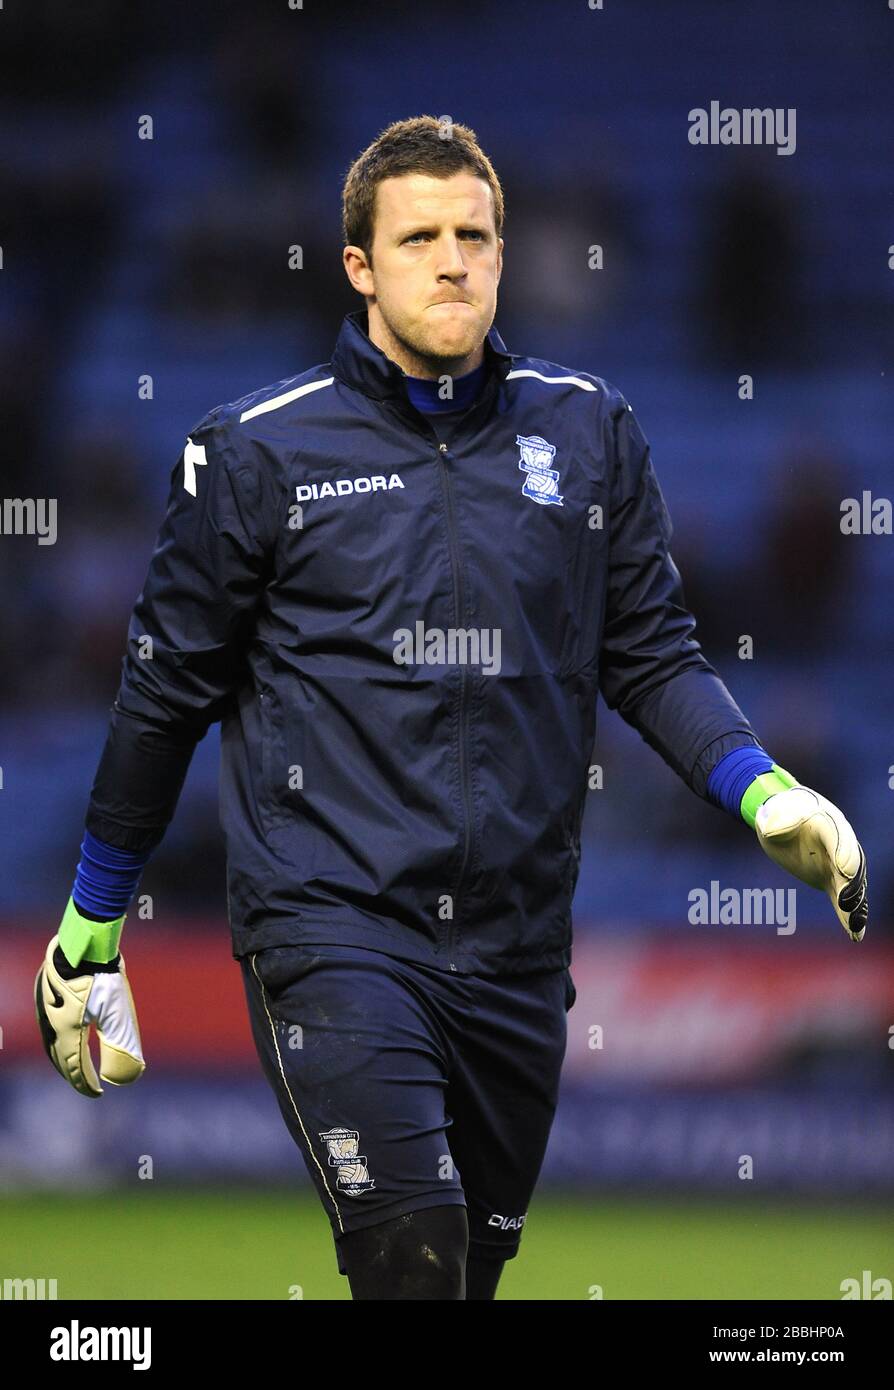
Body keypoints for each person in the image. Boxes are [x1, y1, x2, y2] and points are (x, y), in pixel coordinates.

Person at [34, 116, 868, 1301]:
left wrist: (763, 787)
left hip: (519, 949)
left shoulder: (588, 435)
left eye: (474, 233)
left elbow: (652, 656)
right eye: (418, 235)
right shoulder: (256, 457)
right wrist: (90, 930)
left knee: (463, 1280)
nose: (452, 259)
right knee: (412, 1256)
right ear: (360, 267)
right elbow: (163, 702)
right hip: (334, 929)